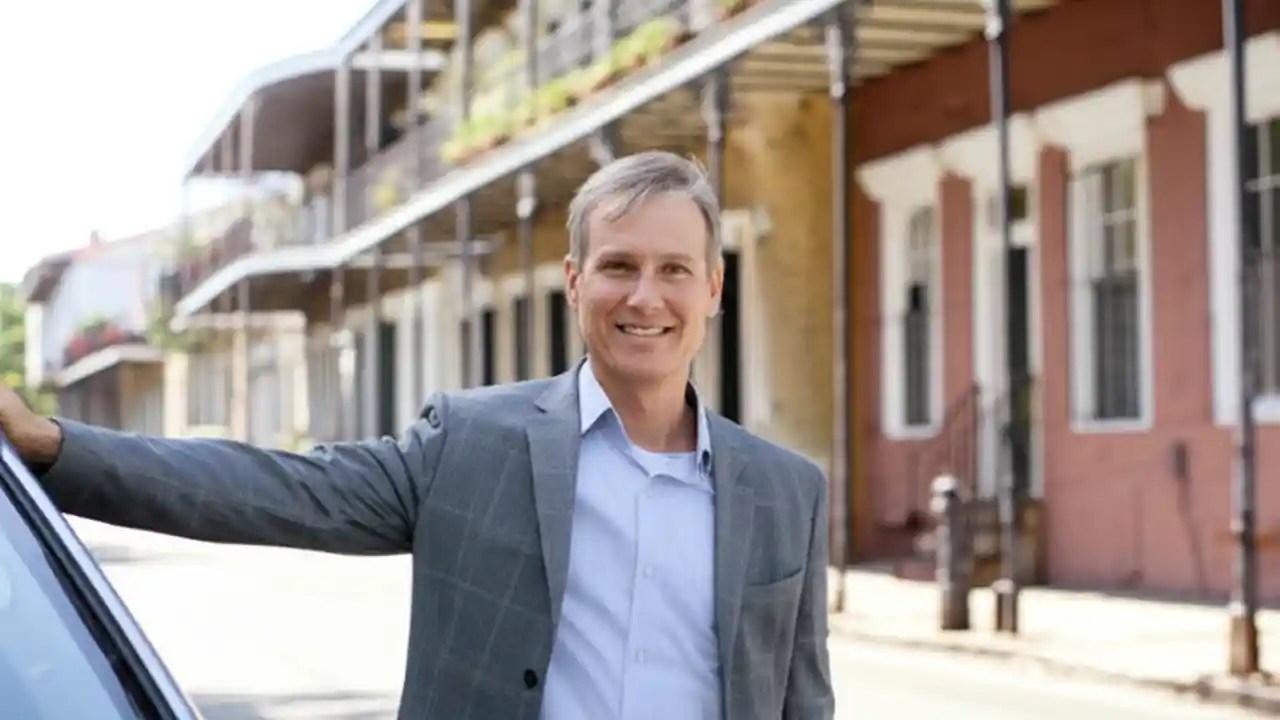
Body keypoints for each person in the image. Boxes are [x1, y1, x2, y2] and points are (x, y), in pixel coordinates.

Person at [0, 151, 834, 719]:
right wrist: (52, 447)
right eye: (618, 265)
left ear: (714, 288)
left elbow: (804, 702)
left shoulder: (787, 492)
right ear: (576, 283)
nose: (644, 297)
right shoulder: (472, 444)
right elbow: (271, 491)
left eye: (674, 270)